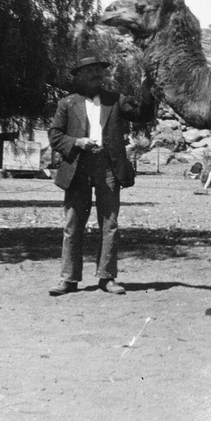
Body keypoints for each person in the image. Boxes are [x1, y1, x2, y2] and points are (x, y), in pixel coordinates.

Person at [48, 54, 155, 296]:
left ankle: (107, 278)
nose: (96, 74)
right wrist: (76, 142)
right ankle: (68, 279)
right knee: (73, 224)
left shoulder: (115, 100)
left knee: (110, 224)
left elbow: (143, 114)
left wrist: (146, 90)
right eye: (90, 70)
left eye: (99, 70)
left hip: (108, 168)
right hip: (78, 167)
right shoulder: (67, 103)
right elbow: (55, 136)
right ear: (79, 76)